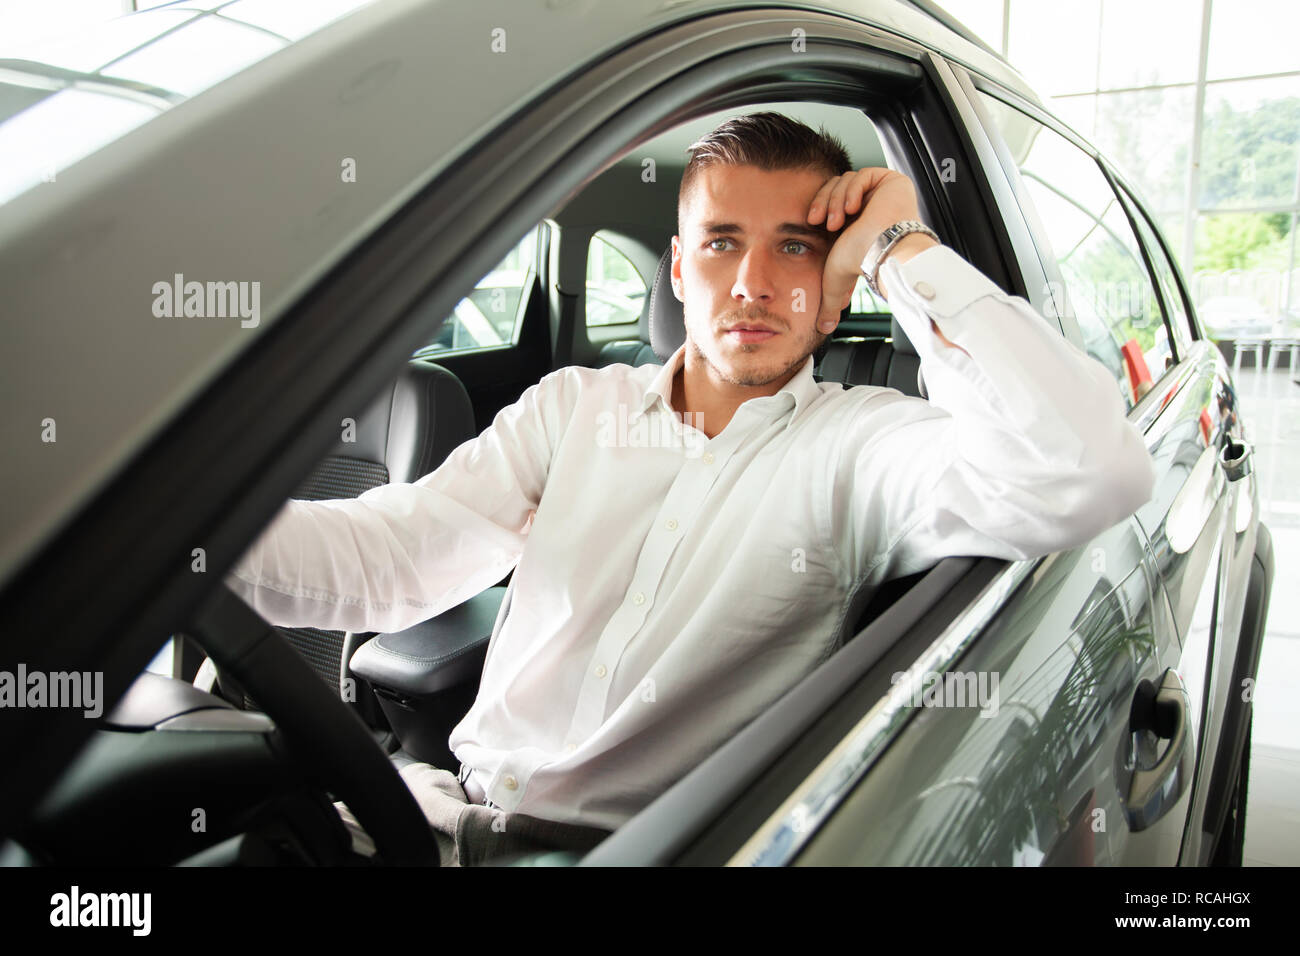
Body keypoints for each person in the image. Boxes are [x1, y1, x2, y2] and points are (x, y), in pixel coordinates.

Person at [225, 112, 1157, 865]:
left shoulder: (864, 448)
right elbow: (393, 559)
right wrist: (177, 546)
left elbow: (1092, 468)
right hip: (427, 814)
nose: (752, 282)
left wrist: (898, 245)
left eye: (796, 248)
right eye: (720, 243)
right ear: (678, 269)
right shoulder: (573, 409)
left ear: (836, 289)